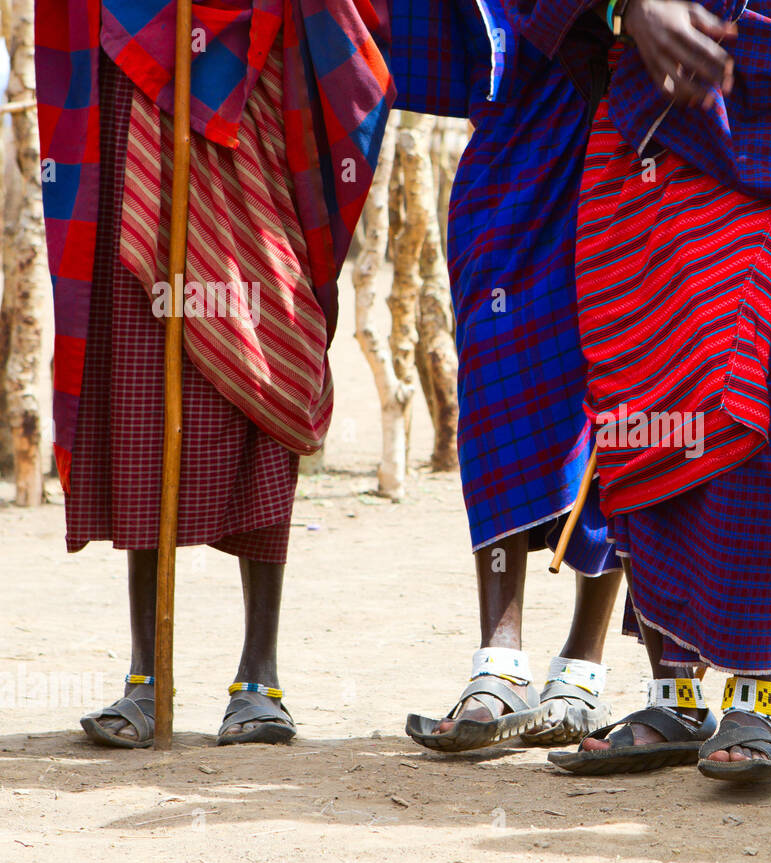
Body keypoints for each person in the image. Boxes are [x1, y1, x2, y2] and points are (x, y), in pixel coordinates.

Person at [520, 0, 771, 781]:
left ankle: (752, 695)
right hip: (645, 116)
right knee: (639, 383)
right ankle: (674, 693)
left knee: (736, 388)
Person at [36, 0, 393, 746]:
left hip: (258, 87)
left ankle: (258, 677)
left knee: (266, 370)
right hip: (132, 93)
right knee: (141, 378)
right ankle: (146, 676)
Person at [391, 0, 625, 752]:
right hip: (512, 141)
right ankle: (500, 661)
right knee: (495, 393)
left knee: (616, 388)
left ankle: (583, 666)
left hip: (627, 132)